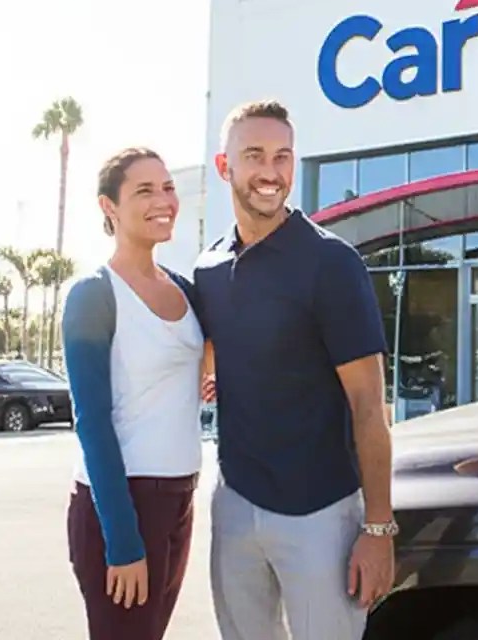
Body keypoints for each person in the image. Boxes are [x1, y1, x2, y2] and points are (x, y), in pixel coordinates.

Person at [192, 99, 396, 639]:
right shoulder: (208, 269)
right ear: (224, 166)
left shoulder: (331, 264)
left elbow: (369, 406)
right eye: (255, 155)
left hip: (320, 513)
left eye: (282, 156)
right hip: (235, 504)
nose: (271, 171)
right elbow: (214, 350)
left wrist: (378, 528)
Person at [61, 147, 206, 639]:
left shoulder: (185, 289)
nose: (163, 200)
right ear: (109, 207)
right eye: (144, 190)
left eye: (168, 187)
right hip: (122, 504)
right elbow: (92, 423)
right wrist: (123, 542)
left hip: (178, 498)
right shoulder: (93, 294)